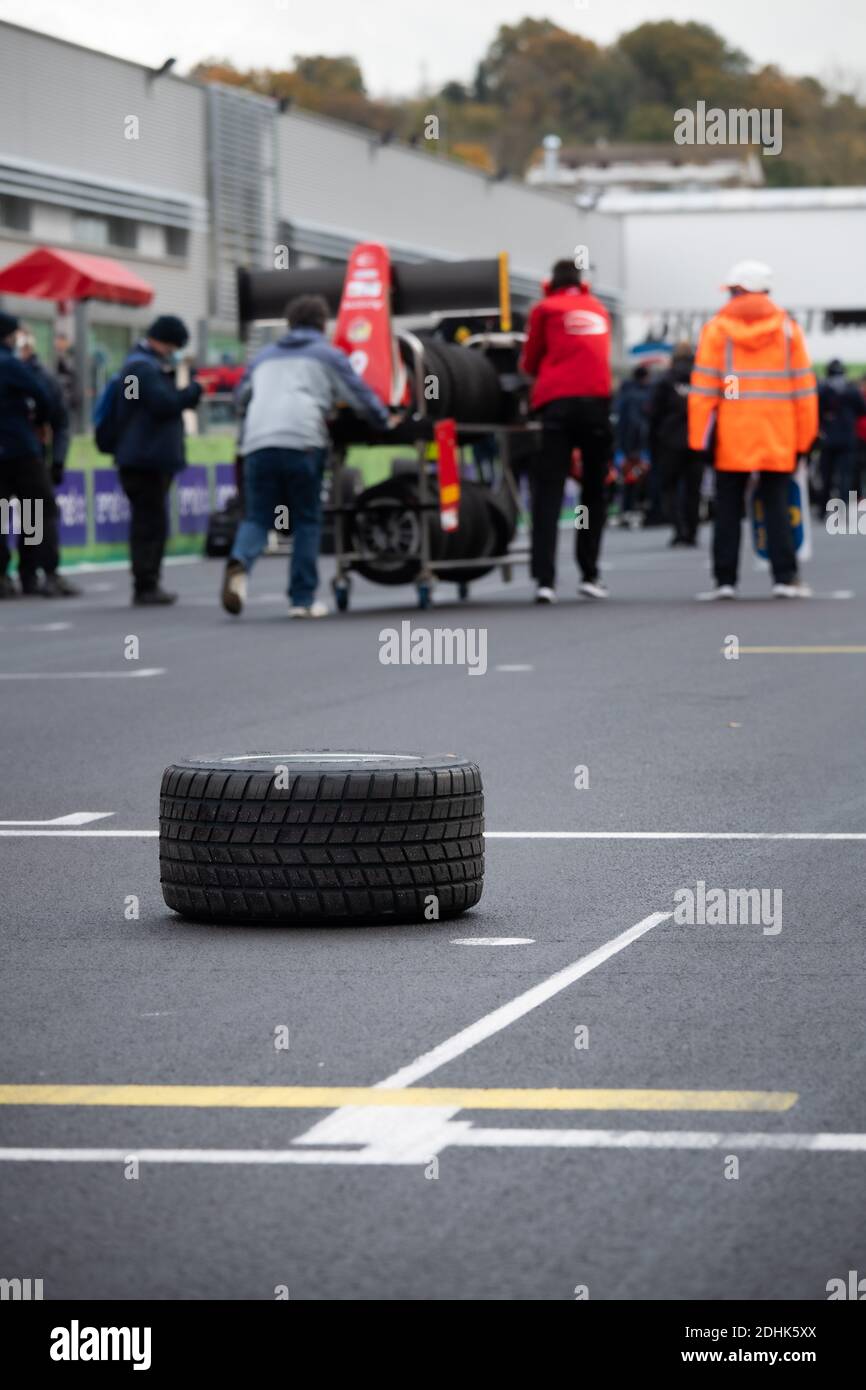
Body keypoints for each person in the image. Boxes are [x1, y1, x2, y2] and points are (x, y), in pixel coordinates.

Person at [221, 293, 391, 618]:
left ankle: (240, 561)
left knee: (257, 517)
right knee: (306, 519)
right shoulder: (328, 355)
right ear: (322, 324)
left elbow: (239, 399)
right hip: (302, 440)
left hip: (257, 441)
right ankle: (301, 600)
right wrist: (384, 421)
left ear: (289, 323)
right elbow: (360, 398)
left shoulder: (263, 357)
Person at [688, 260, 818, 599]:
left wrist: (698, 440)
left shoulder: (716, 330)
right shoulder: (788, 330)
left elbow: (703, 391)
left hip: (733, 434)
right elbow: (804, 391)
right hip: (778, 433)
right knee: (776, 504)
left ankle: (725, 581)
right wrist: (805, 440)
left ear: (737, 289)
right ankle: (784, 578)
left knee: (728, 508)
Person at [520, 258, 613, 604]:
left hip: (557, 406)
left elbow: (530, 361)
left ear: (550, 283)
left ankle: (545, 580)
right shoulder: (599, 308)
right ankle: (590, 573)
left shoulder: (545, 309)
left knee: (549, 493)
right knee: (593, 493)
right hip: (597, 407)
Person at [114, 314, 202, 606]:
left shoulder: (133, 365)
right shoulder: (143, 369)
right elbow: (163, 405)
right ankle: (146, 584)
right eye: (174, 346)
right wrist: (192, 392)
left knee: (147, 520)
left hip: (137, 456)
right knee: (150, 523)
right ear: (165, 341)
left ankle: (146, 581)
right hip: (146, 459)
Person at [15, 329, 79, 596]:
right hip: (26, 454)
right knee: (36, 512)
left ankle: (33, 572)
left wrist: (58, 461)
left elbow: (60, 421)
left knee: (35, 513)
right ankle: (37, 573)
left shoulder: (40, 378)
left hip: (29, 455)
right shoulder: (37, 377)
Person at [0, 311, 55, 600]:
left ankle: (1, 578)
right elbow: (42, 394)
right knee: (33, 511)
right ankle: (31, 575)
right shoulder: (10, 364)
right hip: (19, 449)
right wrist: (38, 422)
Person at [649, 342, 705, 547]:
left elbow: (653, 412)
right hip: (697, 440)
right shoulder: (702, 378)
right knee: (694, 489)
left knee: (669, 488)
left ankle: (679, 528)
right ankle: (692, 530)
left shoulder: (665, 379)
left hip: (670, 442)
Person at [817, 359, 865, 513]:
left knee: (827, 476)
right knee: (846, 475)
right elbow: (862, 410)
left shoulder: (823, 390)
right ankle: (842, 509)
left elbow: (816, 413)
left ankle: (823, 508)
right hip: (847, 439)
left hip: (828, 439)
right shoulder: (851, 390)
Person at [613, 364, 651, 528]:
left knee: (627, 480)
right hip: (638, 447)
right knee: (637, 479)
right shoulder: (643, 396)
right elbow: (639, 425)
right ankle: (634, 510)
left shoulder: (623, 395)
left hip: (624, 447)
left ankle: (626, 510)